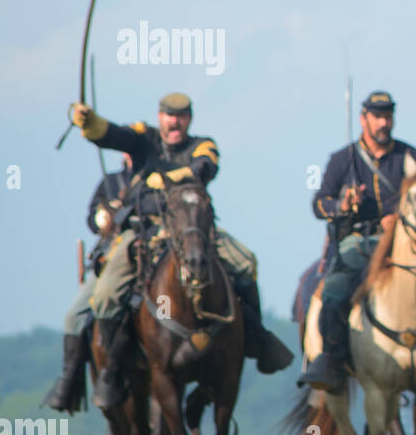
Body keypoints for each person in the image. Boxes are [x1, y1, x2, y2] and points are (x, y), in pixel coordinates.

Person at [67, 93, 292, 409]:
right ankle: (112, 370)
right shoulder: (143, 138)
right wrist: (90, 123)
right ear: (160, 117)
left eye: (182, 116)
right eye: (170, 116)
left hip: (193, 228)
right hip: (145, 231)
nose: (175, 122)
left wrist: (162, 174)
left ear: (189, 119)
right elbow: (114, 135)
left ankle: (256, 339)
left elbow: (204, 167)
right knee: (104, 296)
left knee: (244, 263)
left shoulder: (202, 145)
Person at [299, 89, 416, 397]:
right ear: (364, 120)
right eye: (378, 116)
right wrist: (343, 205)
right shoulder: (341, 160)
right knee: (333, 291)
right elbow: (319, 204)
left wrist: (397, 219)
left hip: (405, 245)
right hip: (358, 242)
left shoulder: (411, 157)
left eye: (388, 116)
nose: (384, 122)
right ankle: (330, 361)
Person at [43, 154, 133, 413]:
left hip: (148, 254)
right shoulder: (111, 182)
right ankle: (69, 380)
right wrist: (104, 216)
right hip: (112, 257)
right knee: (74, 316)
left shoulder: (157, 179)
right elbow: (92, 221)